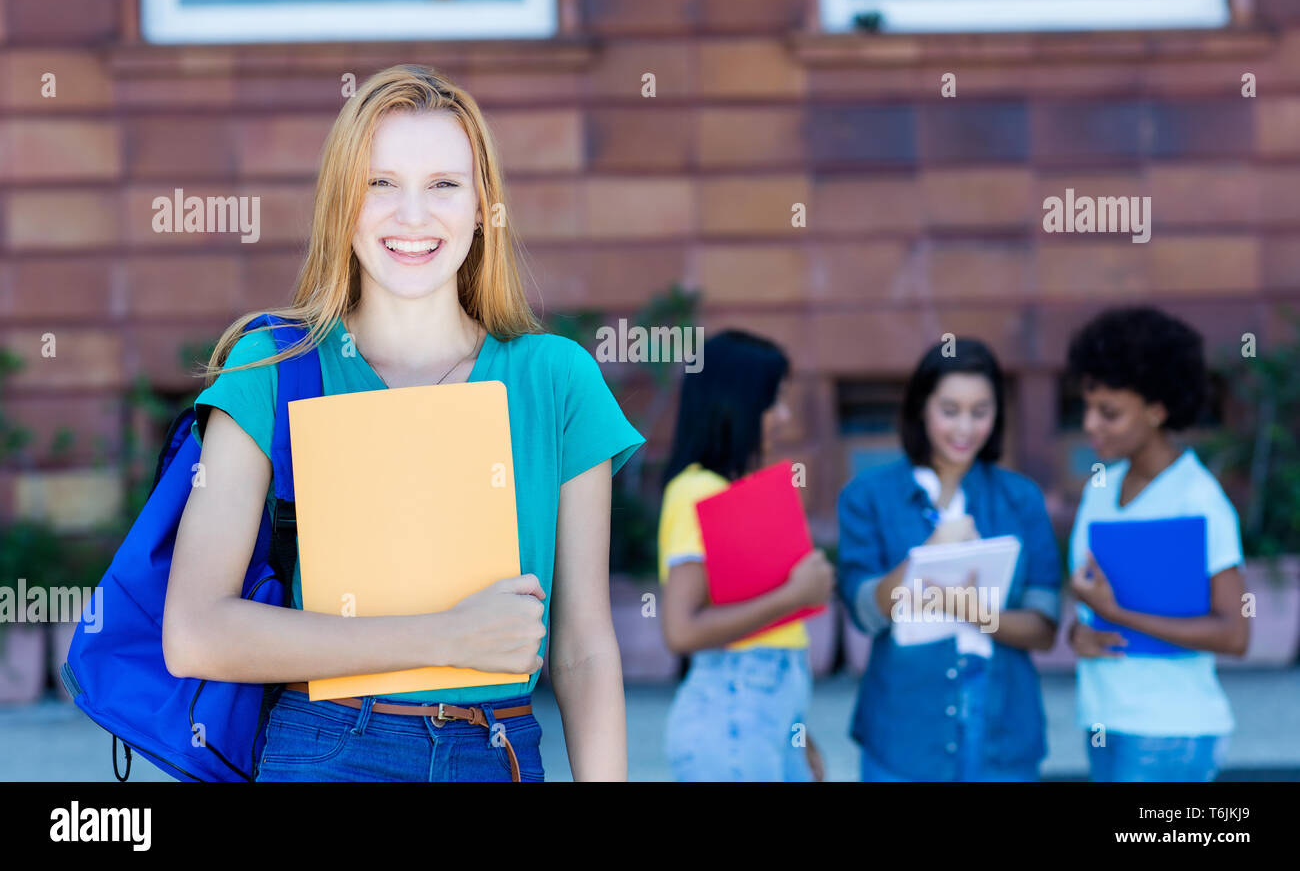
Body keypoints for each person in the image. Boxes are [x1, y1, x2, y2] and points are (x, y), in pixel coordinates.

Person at [161, 63, 645, 782]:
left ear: (484, 208)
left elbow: (583, 649)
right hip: (327, 749)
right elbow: (196, 632)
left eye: (444, 185)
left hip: (499, 752)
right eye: (380, 184)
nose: (412, 216)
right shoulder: (272, 367)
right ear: (342, 205)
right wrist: (445, 637)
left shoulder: (556, 378)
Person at [837, 337, 1061, 781]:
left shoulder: (1021, 499)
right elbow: (864, 612)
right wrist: (928, 555)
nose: (965, 429)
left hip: (1002, 720)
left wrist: (976, 614)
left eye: (981, 412)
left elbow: (1044, 627)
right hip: (904, 724)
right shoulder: (869, 496)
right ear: (922, 408)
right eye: (950, 410)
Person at [1065, 306, 1249, 781]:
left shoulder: (1199, 500)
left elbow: (1235, 633)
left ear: (1157, 409)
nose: (1090, 425)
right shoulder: (1100, 488)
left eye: (1110, 413)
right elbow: (1090, 604)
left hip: (1171, 731)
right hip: (1104, 719)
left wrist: (1119, 613)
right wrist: (1079, 635)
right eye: (1086, 407)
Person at [658, 330, 834, 781]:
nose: (784, 415)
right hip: (730, 724)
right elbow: (682, 629)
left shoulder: (732, 494)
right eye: (773, 400)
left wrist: (799, 735)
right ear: (735, 403)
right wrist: (797, 595)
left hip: (763, 723)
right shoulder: (697, 491)